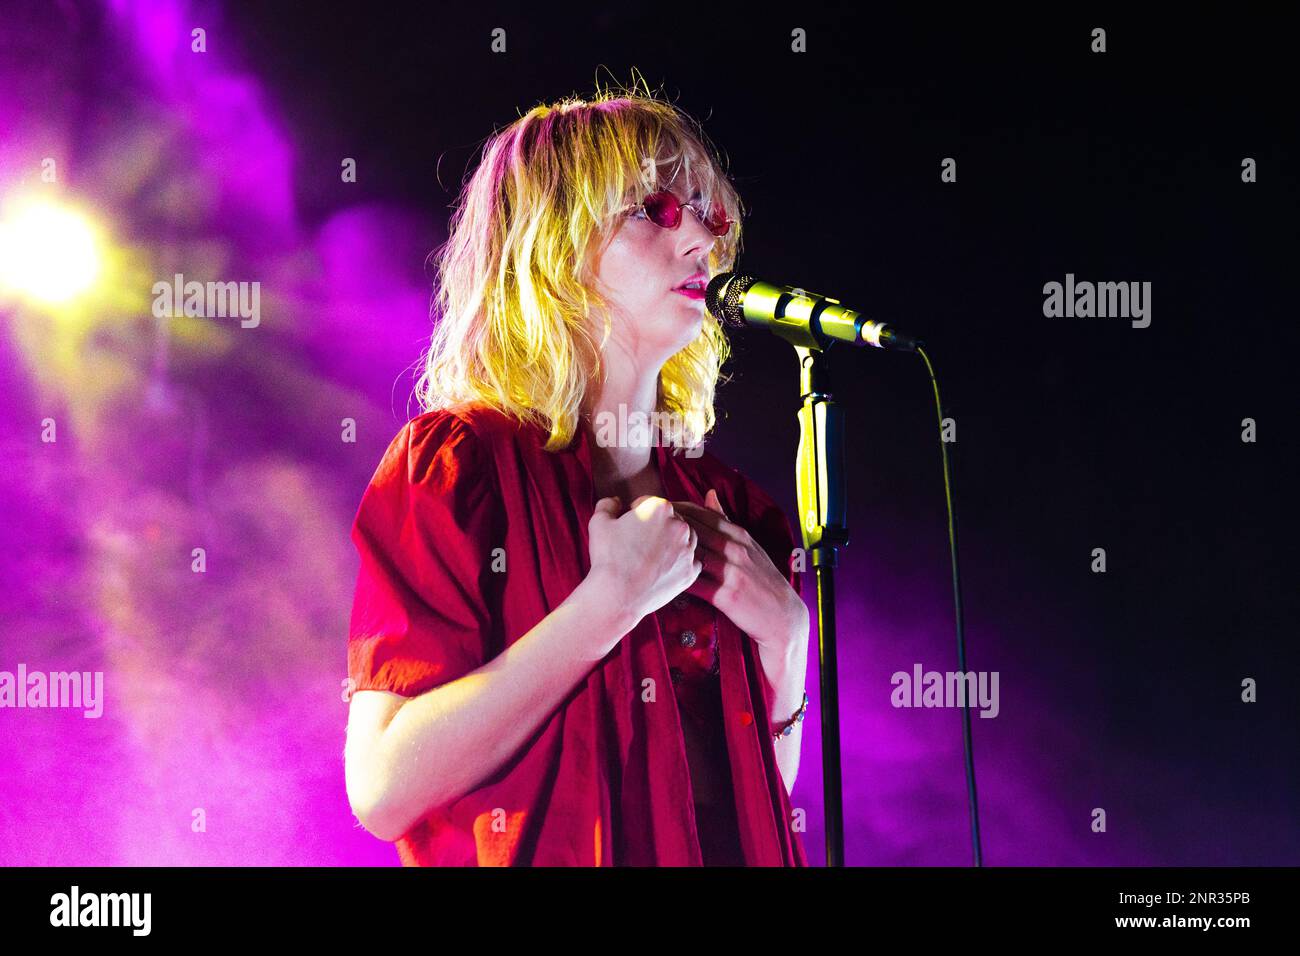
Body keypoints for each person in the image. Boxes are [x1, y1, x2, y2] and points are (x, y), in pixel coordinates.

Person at [343, 86, 811, 866]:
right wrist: (607, 606)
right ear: (554, 247)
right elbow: (384, 785)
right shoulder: (458, 467)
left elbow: (762, 798)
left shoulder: (733, 506)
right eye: (657, 210)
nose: (704, 241)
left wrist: (788, 647)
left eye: (711, 215)